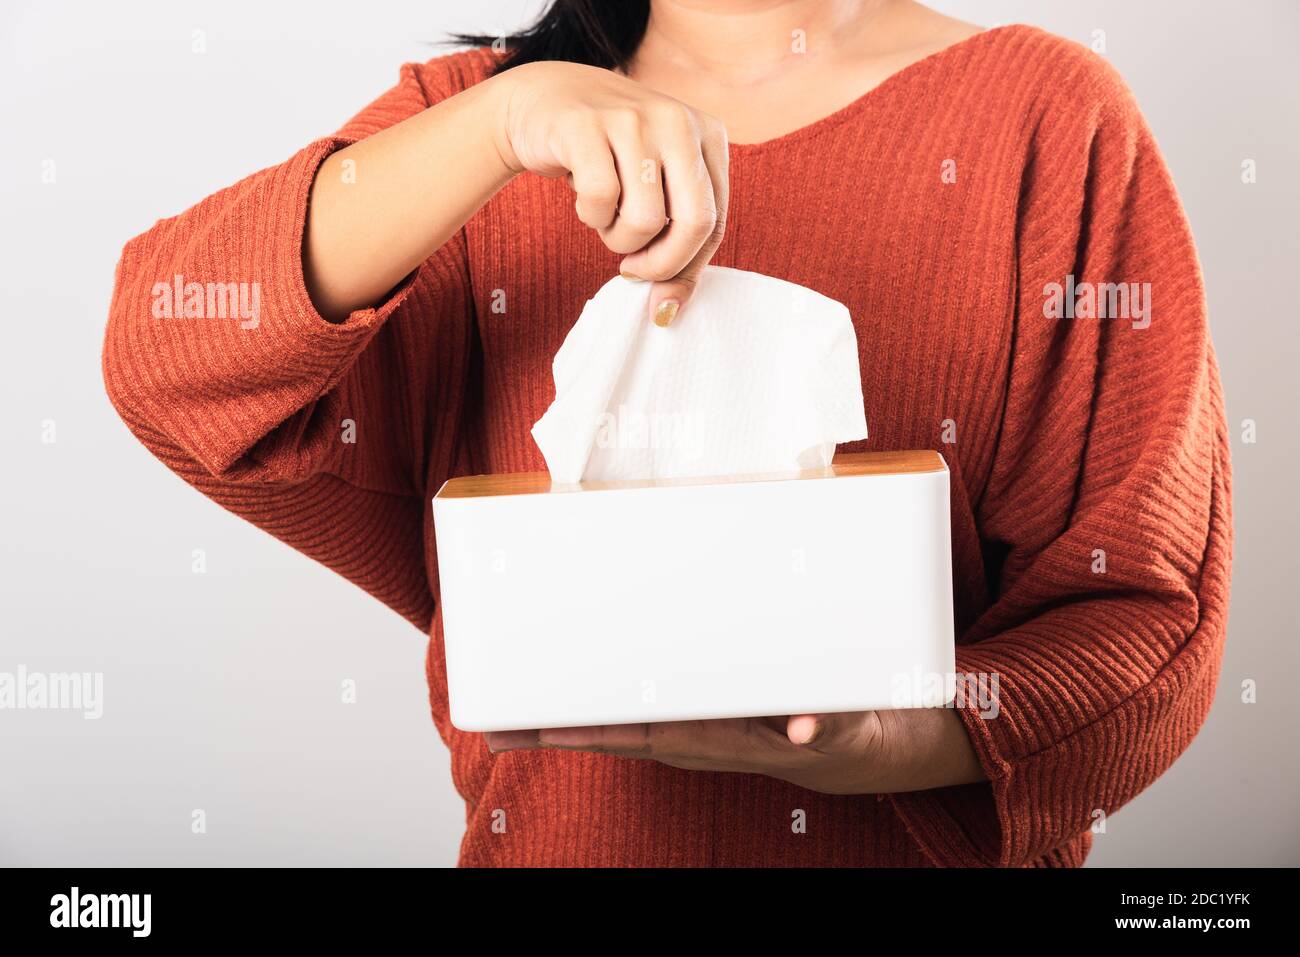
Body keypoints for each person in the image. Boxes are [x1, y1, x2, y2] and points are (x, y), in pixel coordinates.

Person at [102, 0, 1232, 866]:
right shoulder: (482, 120)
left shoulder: (1045, 115)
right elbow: (167, 353)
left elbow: (1144, 612)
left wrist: (901, 738)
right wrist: (501, 123)